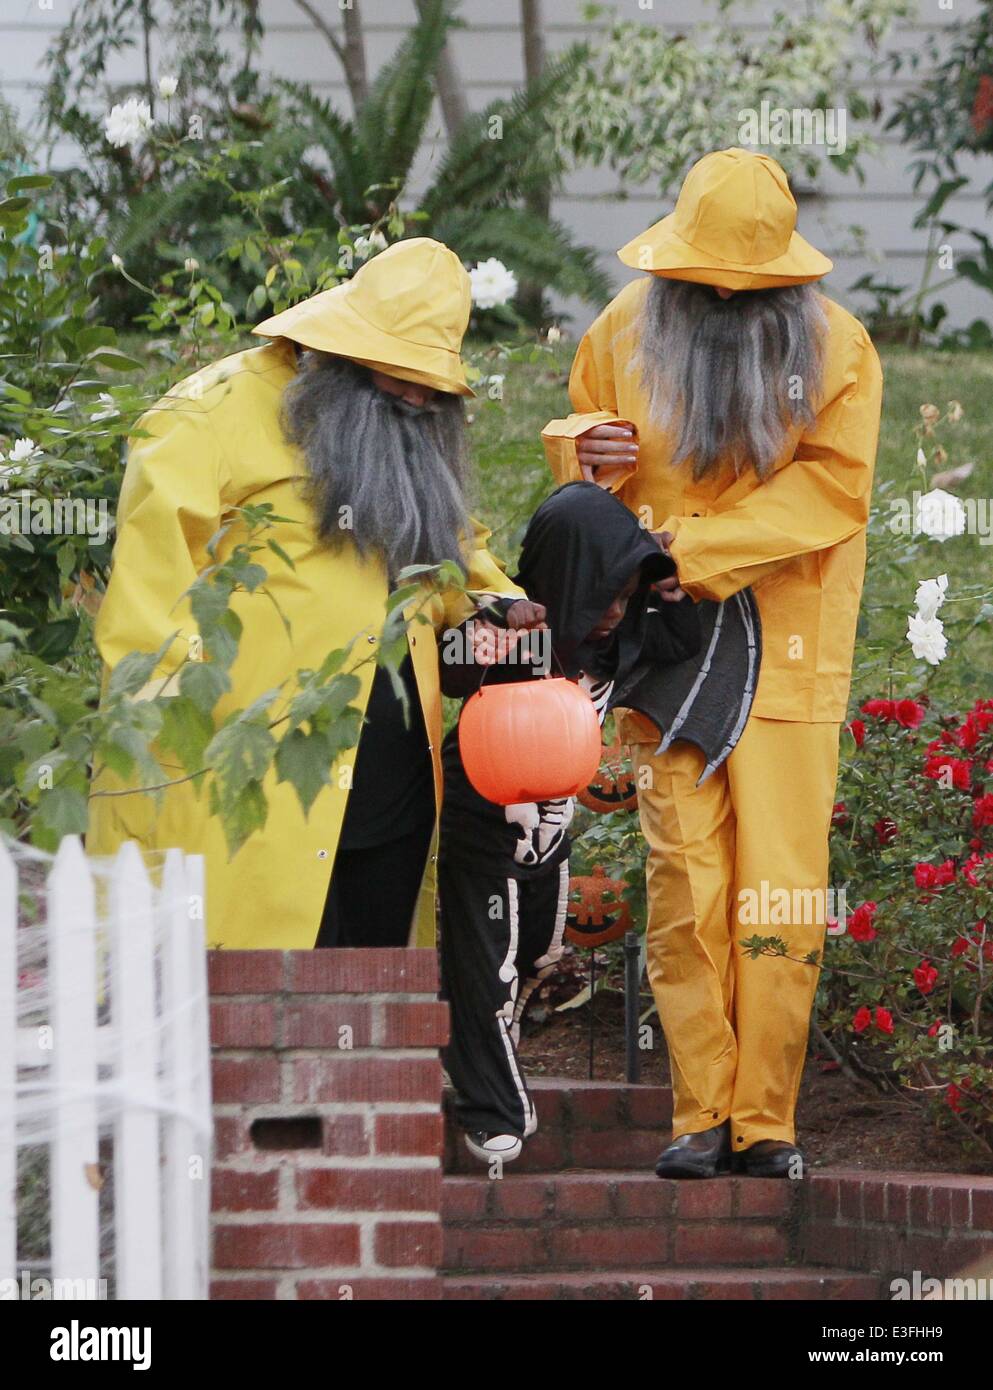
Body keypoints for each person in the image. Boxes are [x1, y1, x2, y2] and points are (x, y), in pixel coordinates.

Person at [542, 148, 884, 1178]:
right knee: (687, 881)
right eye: (704, 290)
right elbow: (581, 455)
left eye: (748, 294)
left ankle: (766, 1120)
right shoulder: (619, 332)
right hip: (663, 649)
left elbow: (835, 488)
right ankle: (700, 1112)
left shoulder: (842, 351)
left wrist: (691, 551)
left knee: (780, 890)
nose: (724, 308)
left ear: (789, 285)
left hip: (787, 651)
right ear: (672, 275)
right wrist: (581, 452)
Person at [87, 238, 542, 950]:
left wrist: (492, 598)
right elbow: (150, 616)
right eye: (401, 379)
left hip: (393, 789)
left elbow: (449, 541)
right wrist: (157, 773)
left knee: (369, 1017)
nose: (419, 398)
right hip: (249, 785)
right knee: (252, 1012)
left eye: (431, 384)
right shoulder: (207, 417)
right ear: (339, 354)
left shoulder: (405, 415)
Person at [438, 482, 700, 1164]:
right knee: (484, 964)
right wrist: (495, 624)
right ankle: (490, 1105)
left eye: (627, 595)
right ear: (572, 578)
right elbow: (447, 668)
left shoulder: (612, 640)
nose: (616, 612)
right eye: (606, 593)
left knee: (534, 956)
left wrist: (664, 583)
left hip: (551, 827)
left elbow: (677, 639)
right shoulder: (520, 621)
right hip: (483, 813)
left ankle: (479, 1044)